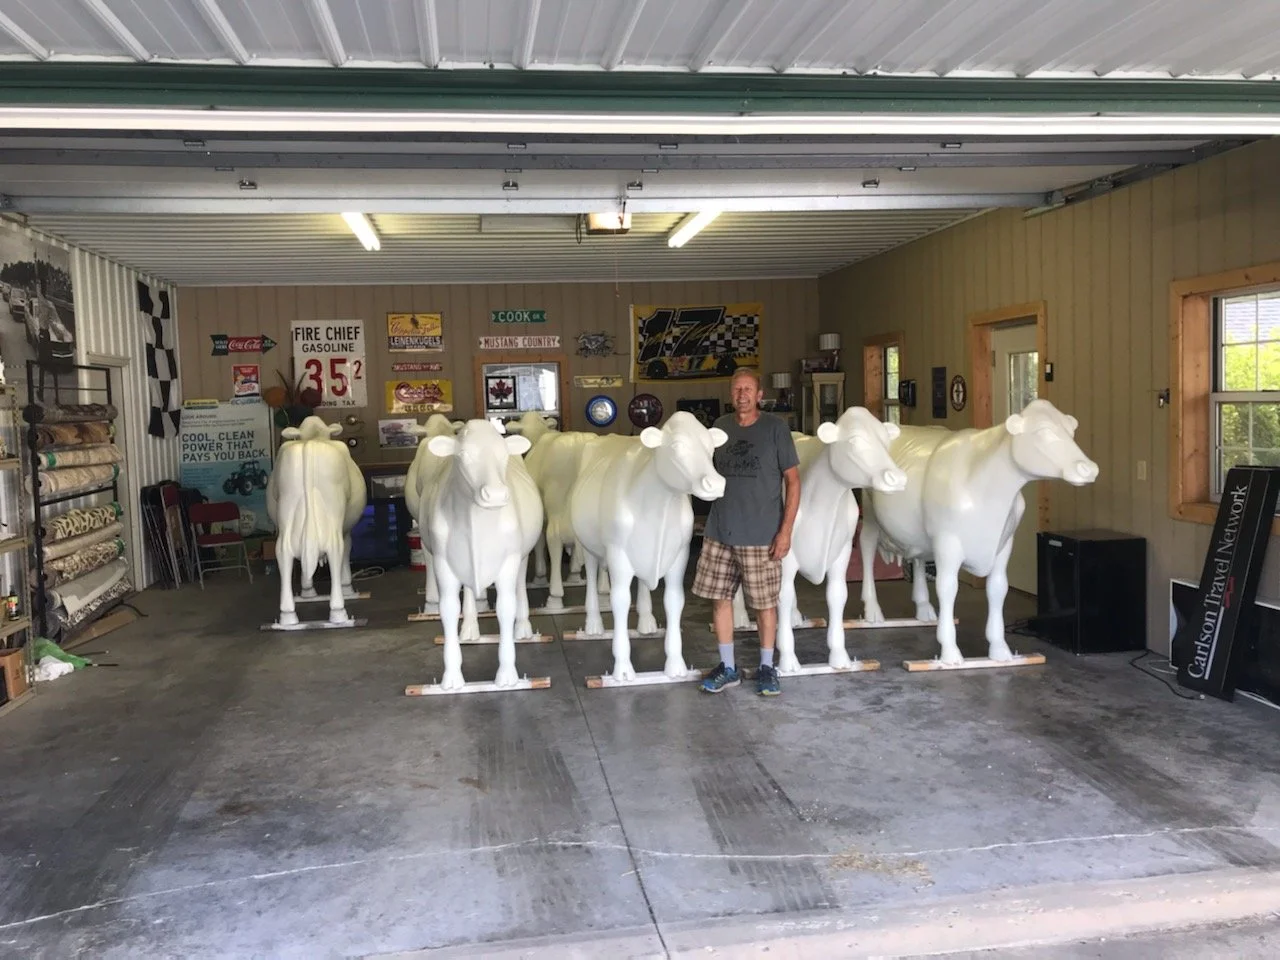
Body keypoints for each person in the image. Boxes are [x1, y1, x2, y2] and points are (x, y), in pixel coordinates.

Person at [692, 366, 800, 696]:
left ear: (759, 395)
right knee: (720, 601)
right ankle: (728, 668)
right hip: (720, 531)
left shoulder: (776, 429)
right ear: (731, 394)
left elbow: (793, 482)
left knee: (765, 605)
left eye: (748, 389)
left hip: (762, 534)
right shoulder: (719, 428)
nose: (742, 395)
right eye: (737, 390)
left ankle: (767, 668)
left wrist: (785, 532)